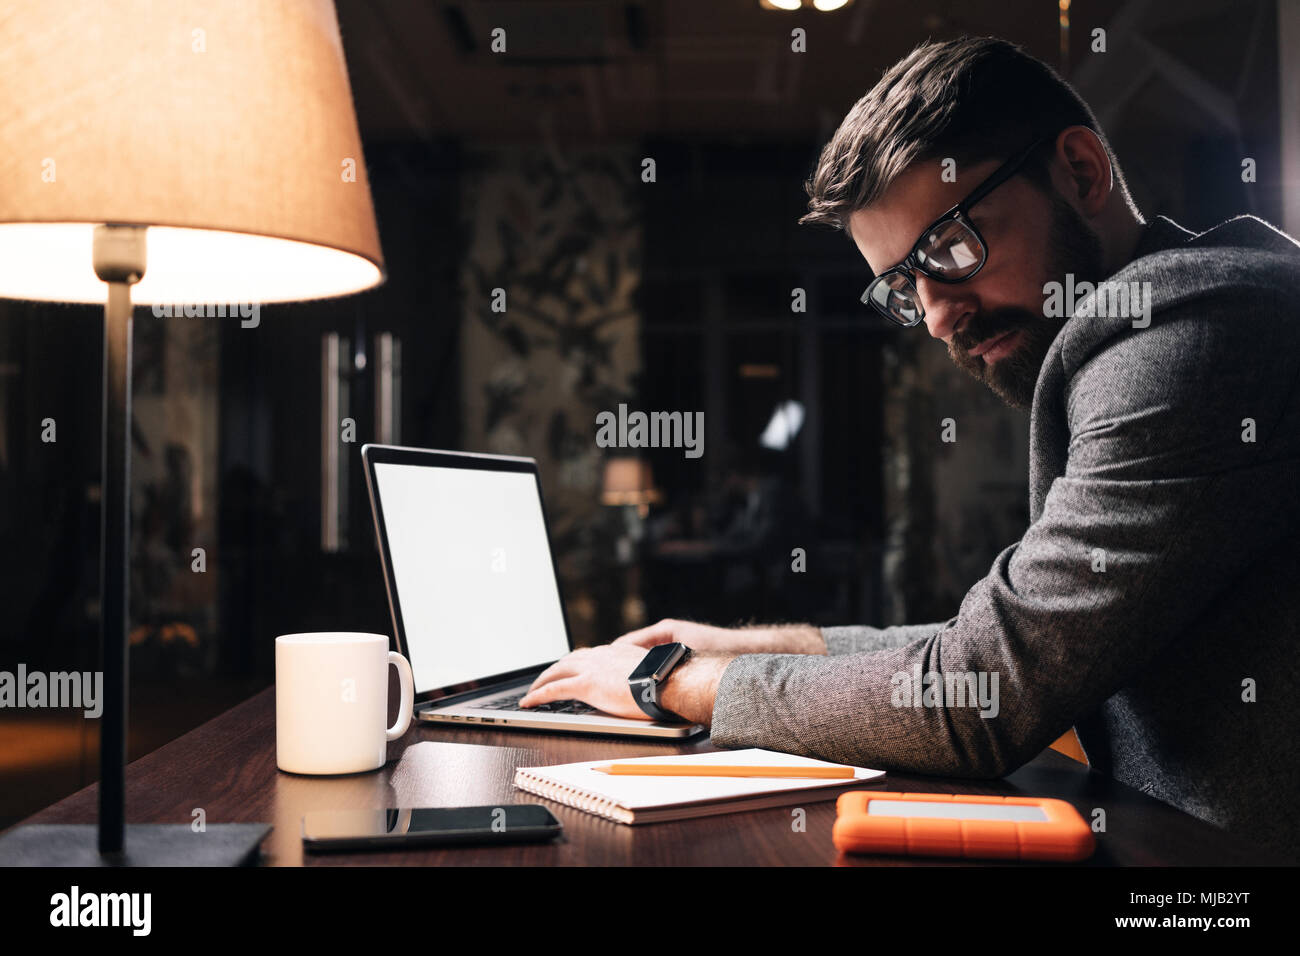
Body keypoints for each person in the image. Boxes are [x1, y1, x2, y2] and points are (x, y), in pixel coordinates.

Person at [519, 36, 1300, 859]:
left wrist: (668, 685)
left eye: (953, 247)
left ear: (1080, 172)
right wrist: (732, 647)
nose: (935, 315)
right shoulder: (1186, 310)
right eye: (904, 284)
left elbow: (984, 693)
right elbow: (998, 644)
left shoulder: (1185, 333)